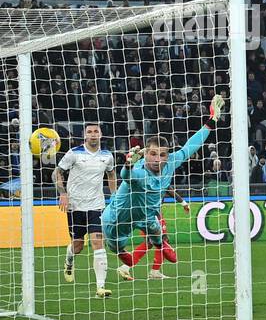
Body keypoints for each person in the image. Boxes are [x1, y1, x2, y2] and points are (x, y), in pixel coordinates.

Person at [102, 96, 223, 280]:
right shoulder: (140, 171)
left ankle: (157, 256)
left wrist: (211, 121)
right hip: (117, 219)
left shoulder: (171, 162)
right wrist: (128, 165)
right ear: (145, 153)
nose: (158, 159)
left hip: (146, 216)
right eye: (153, 154)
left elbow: (191, 145)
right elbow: (126, 177)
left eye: (162, 155)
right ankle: (130, 258)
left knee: (158, 231)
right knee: (122, 252)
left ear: (168, 155)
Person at [54, 122, 116, 297]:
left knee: (98, 241)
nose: (93, 134)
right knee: (78, 245)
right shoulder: (74, 153)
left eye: (96, 131)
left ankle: (100, 287)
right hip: (75, 206)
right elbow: (57, 172)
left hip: (97, 205)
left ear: (101, 134)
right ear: (85, 135)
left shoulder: (107, 156)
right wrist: (62, 193)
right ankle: (69, 260)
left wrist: (115, 196)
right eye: (90, 132)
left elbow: (111, 174)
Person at [121, 187, 188, 280]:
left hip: (148, 213)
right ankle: (150, 271)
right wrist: (183, 203)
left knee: (150, 243)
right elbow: (169, 190)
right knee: (161, 241)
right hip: (152, 214)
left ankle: (129, 267)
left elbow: (169, 190)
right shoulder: (158, 179)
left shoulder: (152, 179)